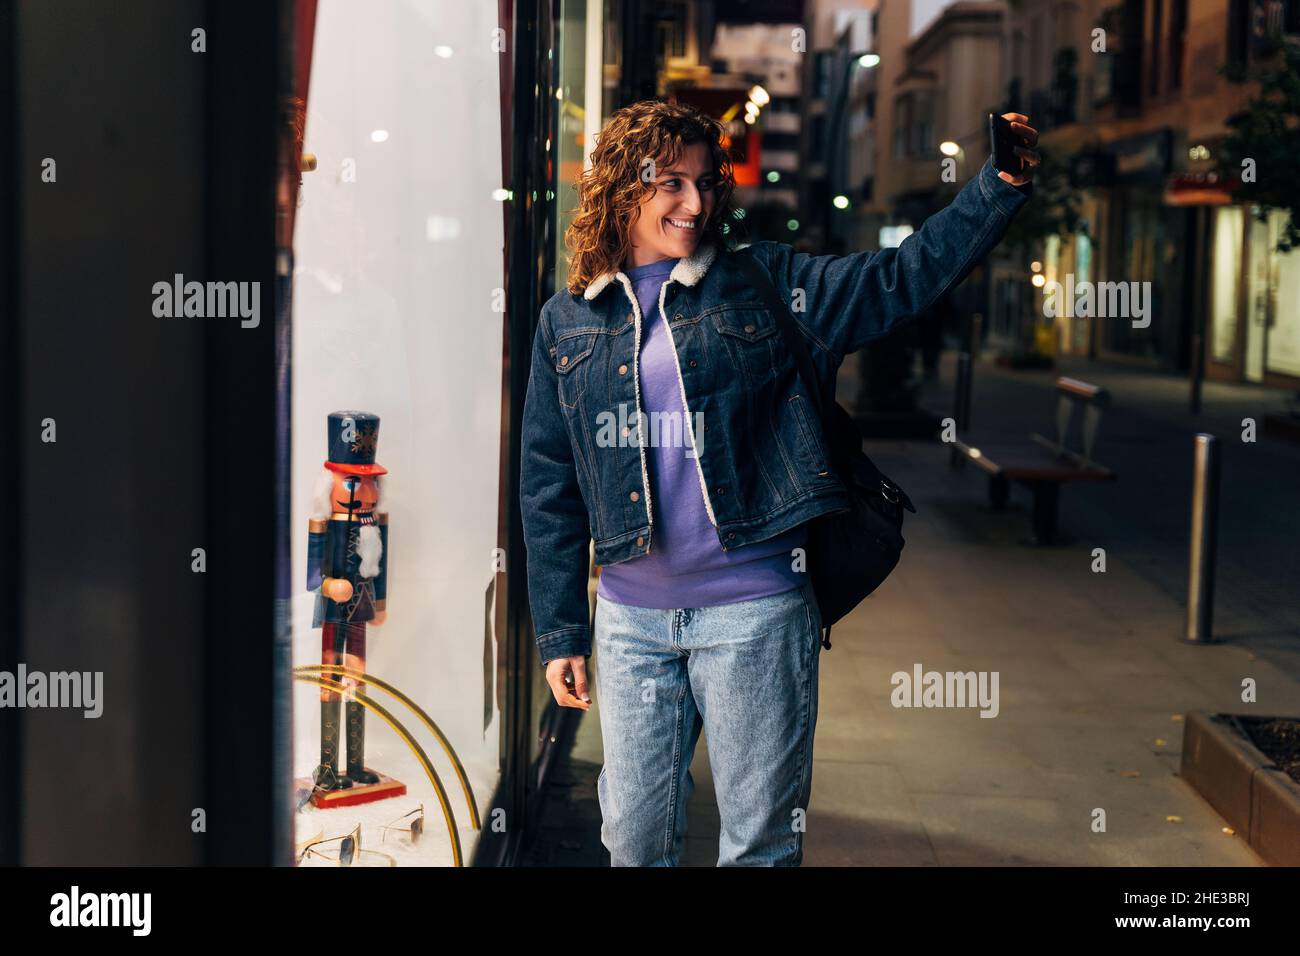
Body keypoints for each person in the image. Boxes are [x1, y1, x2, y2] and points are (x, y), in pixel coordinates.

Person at [520, 100, 1038, 866]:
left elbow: (901, 278)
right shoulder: (569, 320)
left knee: (758, 848)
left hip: (754, 611)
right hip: (630, 623)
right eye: (670, 184)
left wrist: (996, 184)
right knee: (631, 843)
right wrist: (562, 628)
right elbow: (549, 478)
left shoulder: (766, 282)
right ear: (620, 190)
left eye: (704, 183)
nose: (693, 203)